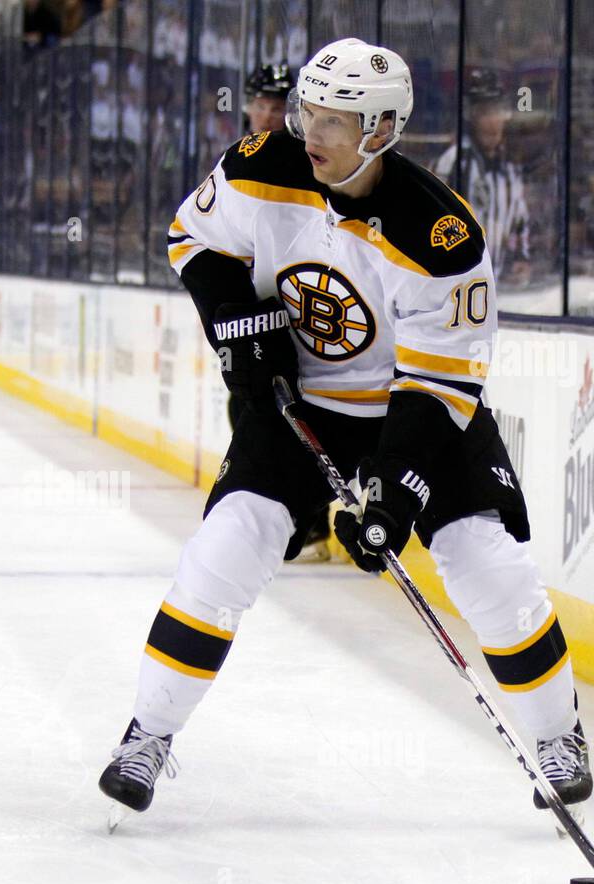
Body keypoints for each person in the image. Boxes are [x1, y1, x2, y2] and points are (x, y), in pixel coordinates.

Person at [99, 38, 589, 830]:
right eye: (309, 112)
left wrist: (394, 494)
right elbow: (192, 240)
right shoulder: (263, 164)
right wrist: (239, 325)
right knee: (227, 546)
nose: (313, 131)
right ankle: (149, 733)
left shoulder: (442, 235)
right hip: (302, 405)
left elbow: (439, 384)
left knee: (482, 561)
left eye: (336, 119)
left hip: (416, 410)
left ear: (383, 128)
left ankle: (557, 735)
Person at [238, 62, 331, 562]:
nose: (271, 114)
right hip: (252, 311)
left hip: (305, 307)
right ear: (250, 107)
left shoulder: (309, 162)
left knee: (309, 406)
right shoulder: (241, 161)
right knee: (253, 404)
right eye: (264, 104)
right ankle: (276, 511)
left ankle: (307, 517)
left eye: (280, 105)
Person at [431, 69, 530, 285]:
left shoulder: (511, 166)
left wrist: (522, 258)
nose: (493, 122)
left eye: (497, 112)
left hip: (497, 287)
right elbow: (432, 222)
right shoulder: (453, 162)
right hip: (455, 287)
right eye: (485, 112)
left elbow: (520, 221)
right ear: (471, 116)